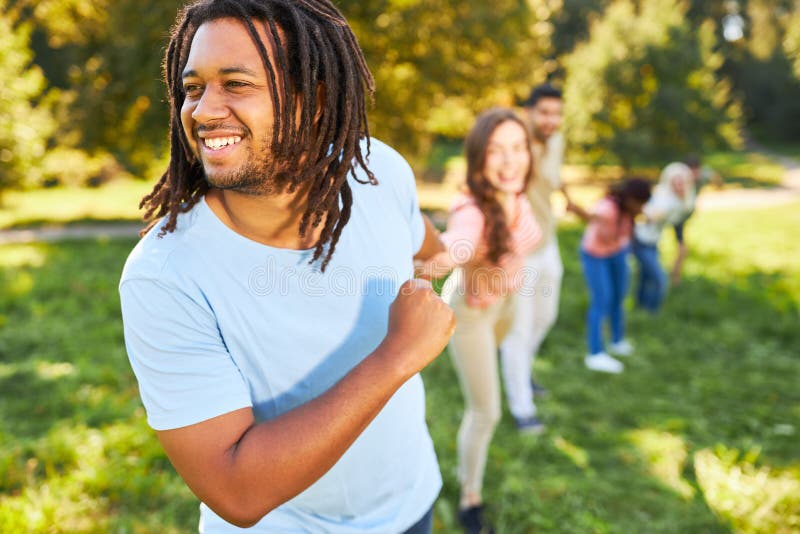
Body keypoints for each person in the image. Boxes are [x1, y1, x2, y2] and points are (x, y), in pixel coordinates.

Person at [118, 1, 455, 532]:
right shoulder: (164, 275)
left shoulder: (378, 171)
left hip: (411, 505)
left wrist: (478, 255)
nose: (204, 111)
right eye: (192, 87)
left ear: (314, 98)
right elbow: (235, 490)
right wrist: (397, 356)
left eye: (236, 83)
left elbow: (431, 253)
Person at [420, 108, 542, 534]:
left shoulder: (517, 194)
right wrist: (436, 254)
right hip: (471, 312)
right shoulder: (472, 206)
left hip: (508, 304)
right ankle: (470, 496)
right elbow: (459, 242)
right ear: (477, 158)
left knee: (502, 370)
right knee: (486, 411)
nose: (510, 161)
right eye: (496, 151)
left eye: (517, 148)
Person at [499, 83, 570, 433]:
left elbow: (554, 176)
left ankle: (521, 370)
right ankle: (522, 408)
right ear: (529, 112)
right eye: (544, 112)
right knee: (519, 328)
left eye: (557, 113)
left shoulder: (556, 140)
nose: (551, 120)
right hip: (519, 250)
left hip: (548, 242)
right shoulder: (513, 144)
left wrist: (570, 198)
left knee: (546, 317)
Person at [568, 178, 651, 373]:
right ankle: (595, 353)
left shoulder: (630, 212)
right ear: (631, 200)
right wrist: (574, 208)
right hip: (595, 255)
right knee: (601, 299)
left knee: (618, 297)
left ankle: (617, 341)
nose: (643, 208)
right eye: (641, 204)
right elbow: (589, 216)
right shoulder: (607, 208)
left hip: (617, 253)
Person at [632, 165, 693, 311]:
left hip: (653, 242)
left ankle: (640, 309)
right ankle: (651, 311)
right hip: (641, 241)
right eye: (676, 183)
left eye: (682, 182)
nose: (679, 186)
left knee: (645, 277)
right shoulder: (663, 197)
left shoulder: (680, 202)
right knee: (660, 279)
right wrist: (651, 214)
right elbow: (650, 213)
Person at [669, 155, 721, 286]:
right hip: (675, 217)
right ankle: (673, 278)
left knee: (682, 248)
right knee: (682, 248)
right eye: (692, 171)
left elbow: (717, 180)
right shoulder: (680, 178)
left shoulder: (703, 175)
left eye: (697, 171)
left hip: (684, 217)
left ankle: (674, 277)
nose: (694, 175)